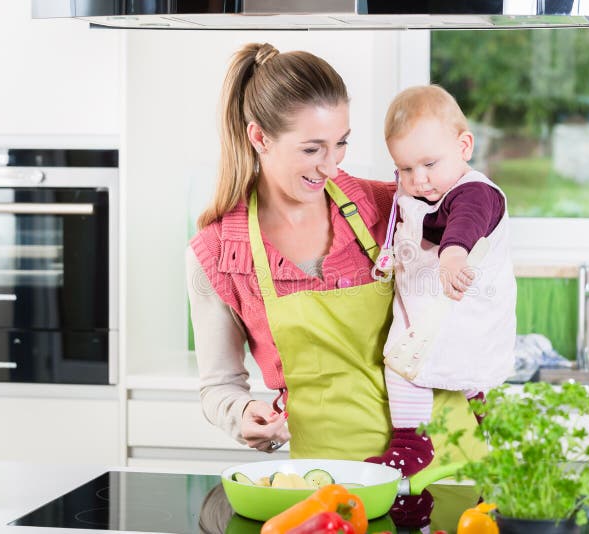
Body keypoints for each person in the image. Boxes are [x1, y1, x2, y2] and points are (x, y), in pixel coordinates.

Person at [186, 43, 483, 466]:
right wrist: (243, 415)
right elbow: (219, 387)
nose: (330, 166)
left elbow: (477, 200)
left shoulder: (388, 205)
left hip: (449, 458)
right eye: (312, 149)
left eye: (340, 143)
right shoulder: (217, 252)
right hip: (336, 482)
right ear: (259, 137)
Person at [365, 85, 516, 476]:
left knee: (473, 379)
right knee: (404, 366)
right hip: (425, 315)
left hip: (464, 310)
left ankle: (498, 450)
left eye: (430, 164)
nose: (419, 179)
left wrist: (453, 254)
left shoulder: (476, 192)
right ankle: (413, 445)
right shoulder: (416, 194)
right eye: (405, 168)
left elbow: (465, 222)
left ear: (464, 146)